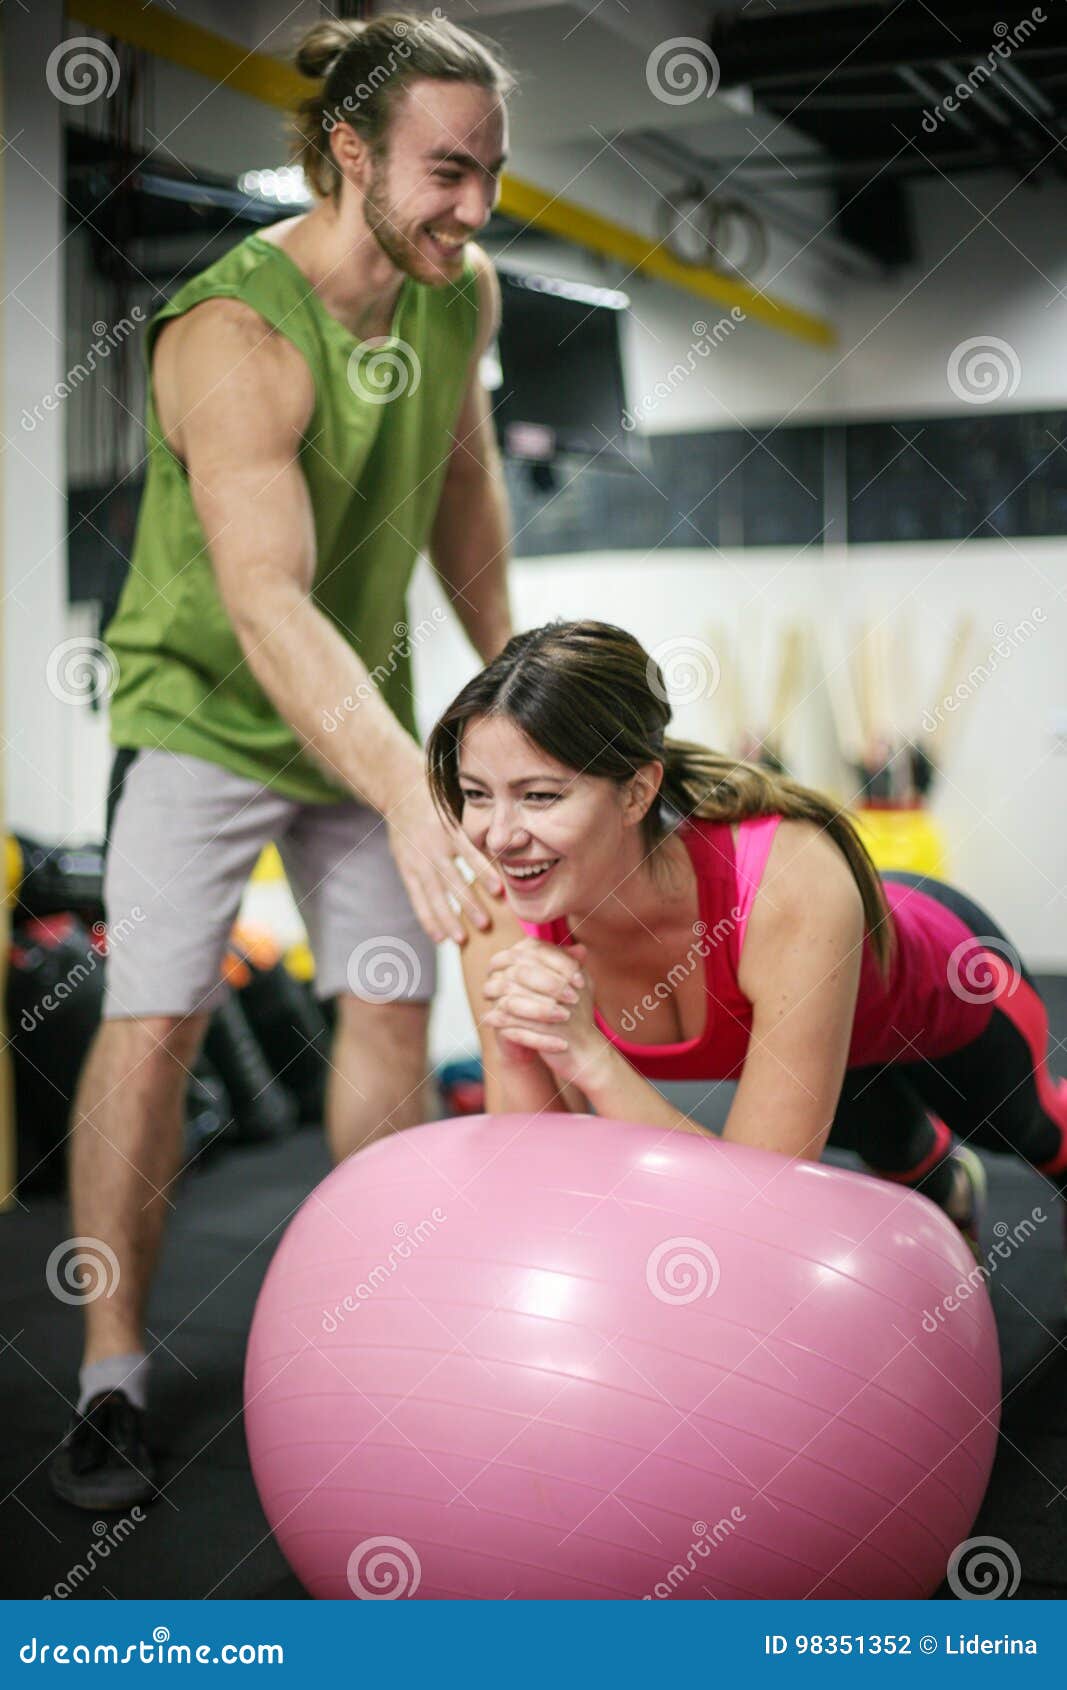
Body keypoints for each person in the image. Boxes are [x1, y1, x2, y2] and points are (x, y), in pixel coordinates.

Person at [51, 11, 517, 1513]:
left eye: (491, 176)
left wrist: (508, 691)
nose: (473, 209)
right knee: (156, 1019)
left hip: (360, 706)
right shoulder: (230, 333)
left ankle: (371, 1324)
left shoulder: (464, 294)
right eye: (447, 174)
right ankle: (110, 1370)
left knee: (390, 1004)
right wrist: (403, 788)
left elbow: (462, 483)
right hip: (200, 712)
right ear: (347, 153)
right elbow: (262, 602)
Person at [428, 619, 1067, 1262]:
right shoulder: (498, 899)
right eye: (477, 795)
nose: (499, 836)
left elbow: (762, 1206)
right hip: (813, 1034)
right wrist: (514, 1052)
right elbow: (540, 1175)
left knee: (1039, 1136)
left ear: (637, 793)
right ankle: (937, 1176)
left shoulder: (792, 883)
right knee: (885, 1139)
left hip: (941, 985)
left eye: (539, 796)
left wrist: (593, 1059)